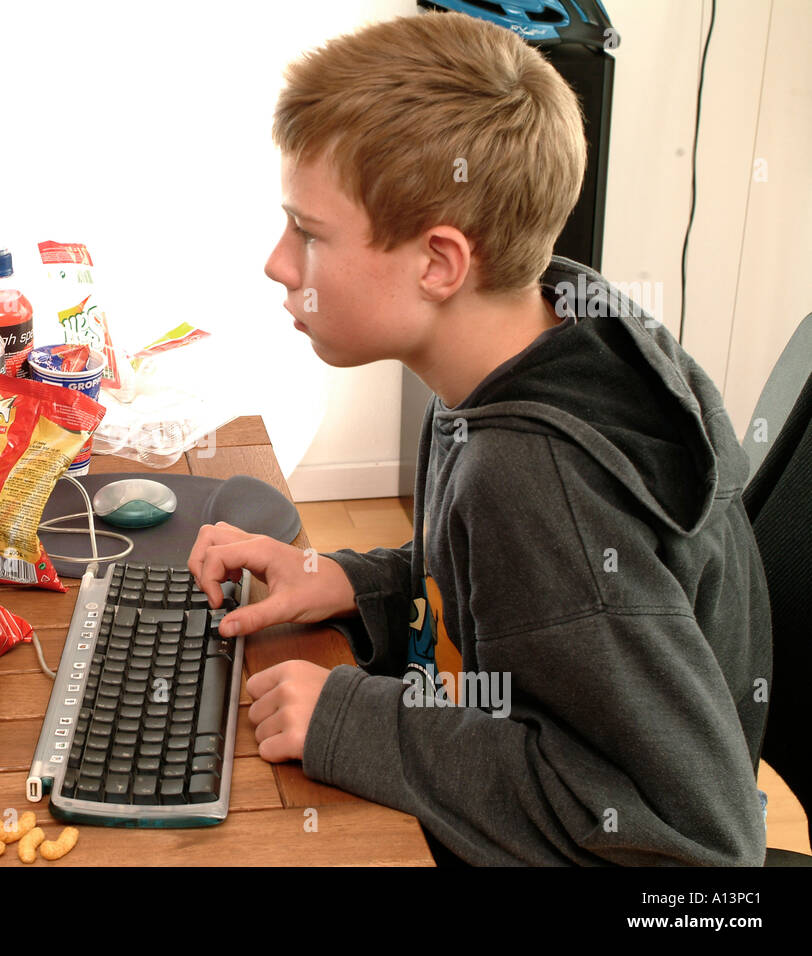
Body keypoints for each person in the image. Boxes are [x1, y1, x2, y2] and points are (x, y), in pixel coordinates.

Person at [187, 10, 771, 865]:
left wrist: (356, 720)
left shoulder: (534, 479)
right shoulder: (531, 340)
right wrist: (352, 581)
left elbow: (697, 843)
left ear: (440, 263)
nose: (278, 262)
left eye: (308, 232)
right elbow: (506, 593)